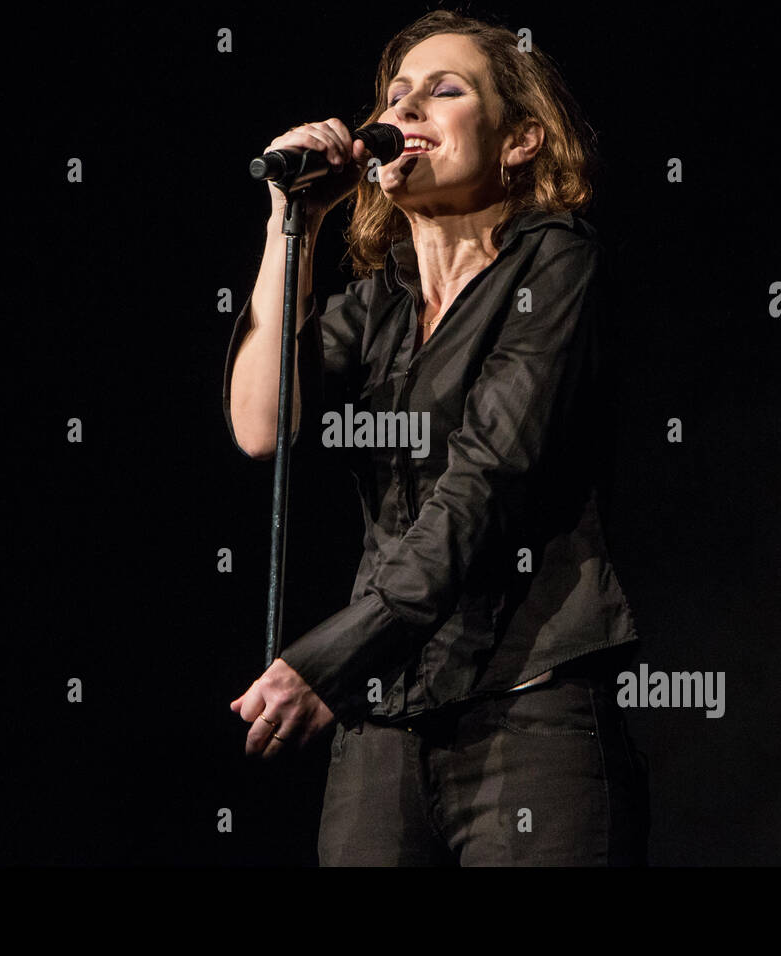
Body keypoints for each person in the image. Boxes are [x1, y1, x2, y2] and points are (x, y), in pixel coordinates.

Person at [223, 9, 648, 865]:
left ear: (521, 138)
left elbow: (485, 481)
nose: (405, 109)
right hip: (382, 719)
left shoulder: (557, 265)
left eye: (444, 91)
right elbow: (262, 425)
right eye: (395, 95)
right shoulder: (380, 304)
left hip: (530, 708)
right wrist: (287, 222)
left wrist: (331, 658)